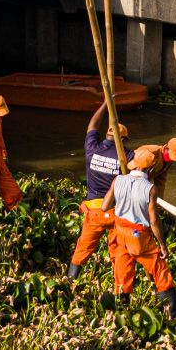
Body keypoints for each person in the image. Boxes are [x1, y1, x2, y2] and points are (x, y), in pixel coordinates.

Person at [100, 144, 176, 316]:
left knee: (122, 275)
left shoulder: (118, 180)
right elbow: (154, 221)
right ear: (150, 169)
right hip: (137, 235)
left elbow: (104, 206)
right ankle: (173, 314)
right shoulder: (150, 189)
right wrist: (163, 245)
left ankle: (122, 313)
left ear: (134, 164)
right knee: (160, 270)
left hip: (119, 233)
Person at [66, 99, 127, 279]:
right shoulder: (126, 157)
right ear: (122, 140)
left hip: (94, 212)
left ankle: (70, 280)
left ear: (107, 135)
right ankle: (120, 286)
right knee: (117, 251)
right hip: (115, 212)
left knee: (83, 248)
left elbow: (92, 124)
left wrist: (106, 103)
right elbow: (142, 163)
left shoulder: (92, 148)